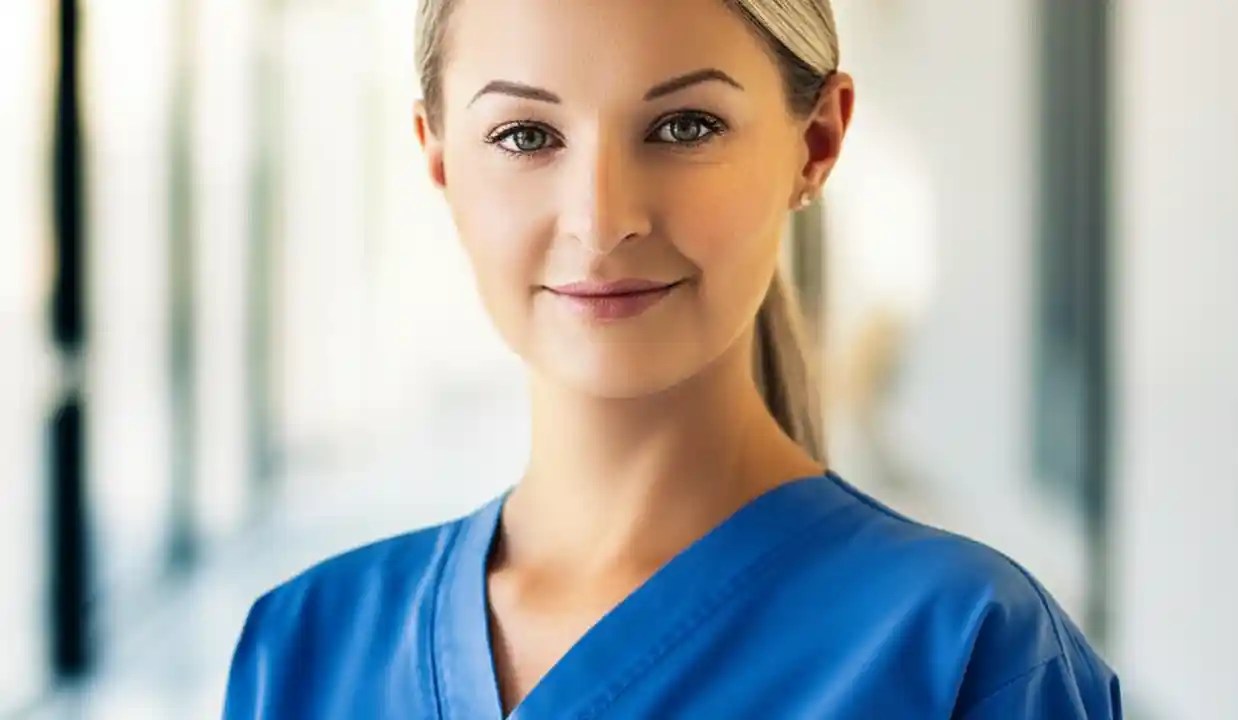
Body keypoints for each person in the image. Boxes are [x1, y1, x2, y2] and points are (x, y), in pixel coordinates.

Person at [222, 0, 1123, 717]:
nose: (602, 217)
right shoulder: (305, 648)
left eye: (686, 126)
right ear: (439, 160)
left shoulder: (971, 654)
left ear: (817, 144)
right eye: (526, 136)